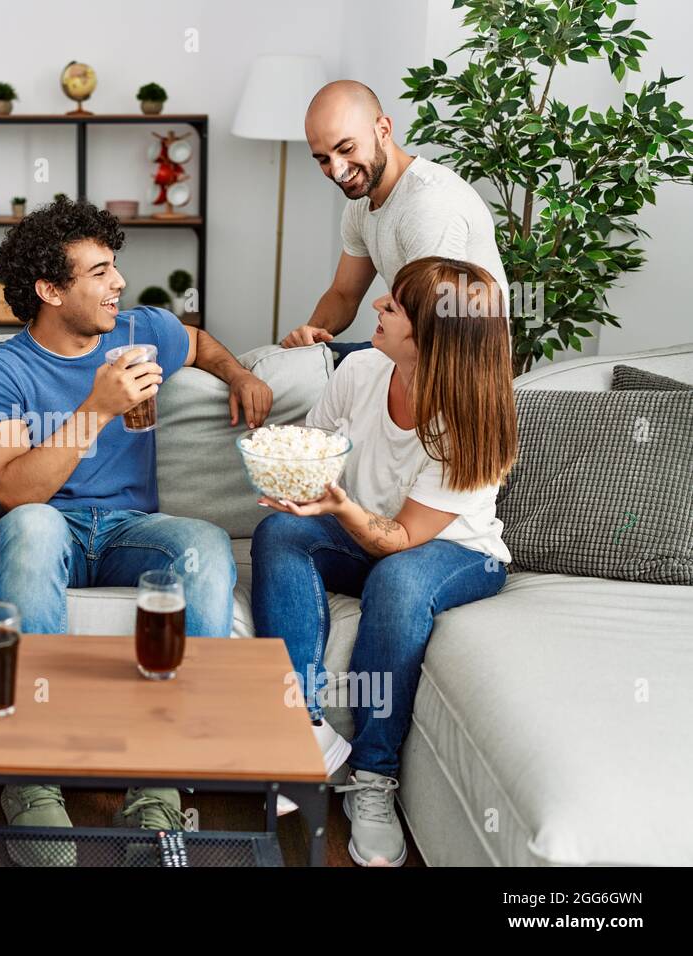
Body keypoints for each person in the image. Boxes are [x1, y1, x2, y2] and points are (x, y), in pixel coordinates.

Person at [0, 197, 273, 863]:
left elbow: (199, 342)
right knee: (36, 528)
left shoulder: (141, 330)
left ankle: (158, 789)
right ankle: (31, 779)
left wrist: (240, 372)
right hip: (51, 526)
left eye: (116, 268)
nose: (118, 284)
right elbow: (16, 491)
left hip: (133, 528)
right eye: (100, 272)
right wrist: (97, 408)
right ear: (51, 291)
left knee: (205, 544)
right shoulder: (0, 371)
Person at [251, 256, 517, 866]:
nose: (376, 307)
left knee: (397, 579)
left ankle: (373, 780)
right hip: (370, 532)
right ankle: (304, 732)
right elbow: (319, 453)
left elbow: (400, 538)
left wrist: (340, 509)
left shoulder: (470, 419)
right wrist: (300, 486)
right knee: (279, 534)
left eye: (393, 306)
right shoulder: (363, 369)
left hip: (455, 554)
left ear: (430, 335)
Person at [283, 80, 508, 363]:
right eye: (323, 159)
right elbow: (343, 294)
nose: (337, 169)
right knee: (289, 367)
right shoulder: (362, 205)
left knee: (305, 381)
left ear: (383, 130)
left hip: (457, 368)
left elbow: (437, 326)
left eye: (347, 148)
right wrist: (311, 337)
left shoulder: (428, 204)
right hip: (413, 352)